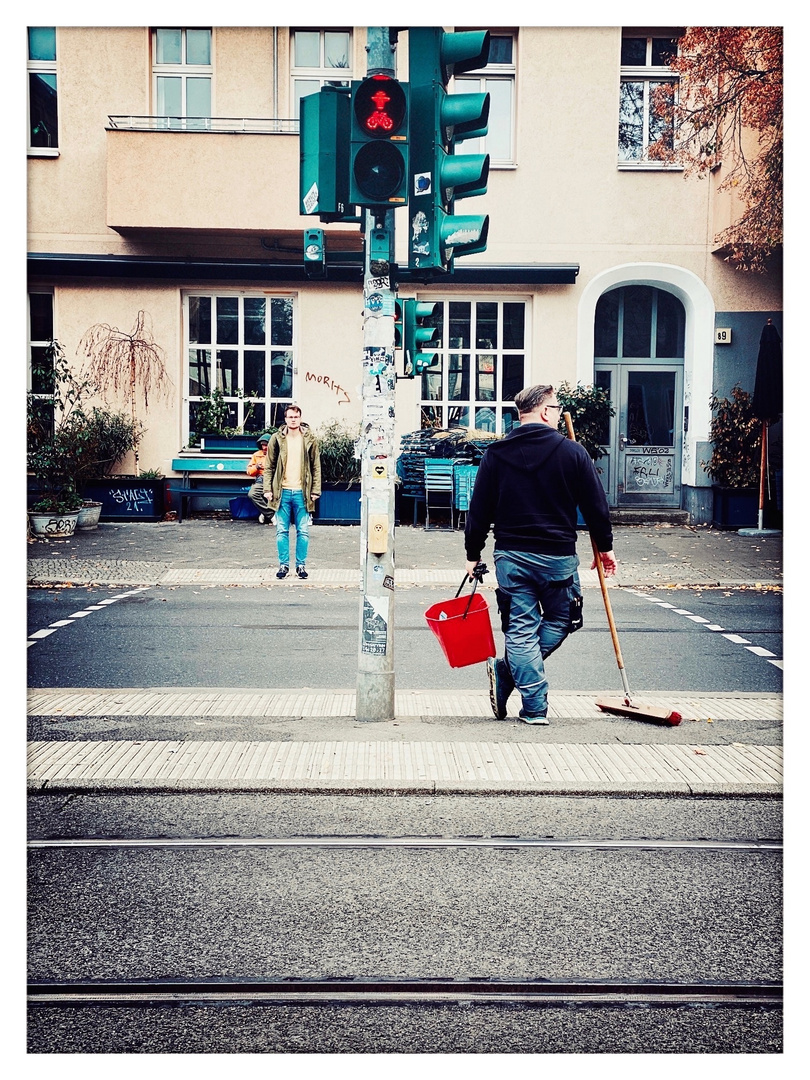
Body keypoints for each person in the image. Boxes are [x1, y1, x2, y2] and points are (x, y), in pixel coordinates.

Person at [464, 383, 617, 726]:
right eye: (556, 408)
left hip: (511, 557)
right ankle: (534, 706)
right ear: (546, 411)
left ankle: (510, 669)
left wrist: (473, 552)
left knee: (520, 632)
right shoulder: (573, 453)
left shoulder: (496, 454)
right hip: (557, 559)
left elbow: (479, 510)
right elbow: (596, 507)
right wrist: (604, 548)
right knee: (564, 620)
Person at [263, 404, 321, 579]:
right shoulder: (276, 439)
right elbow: (269, 466)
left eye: (296, 417)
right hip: (282, 492)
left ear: (300, 418)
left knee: (303, 531)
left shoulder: (309, 439)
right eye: (290, 417)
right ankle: (284, 566)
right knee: (282, 531)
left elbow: (315, 466)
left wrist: (315, 489)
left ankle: (301, 566)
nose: (293, 420)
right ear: (285, 419)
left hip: (302, 493)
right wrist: (268, 489)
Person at [247, 432, 274, 523]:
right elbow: (249, 471)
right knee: (252, 494)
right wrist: (256, 467)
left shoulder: (277, 454)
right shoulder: (256, 455)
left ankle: (264, 513)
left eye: (266, 445)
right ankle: (270, 514)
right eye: (262, 445)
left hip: (274, 479)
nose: (264, 447)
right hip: (261, 479)